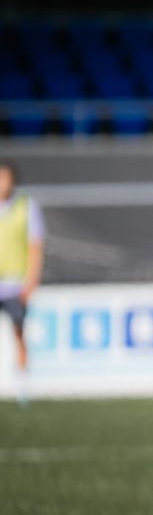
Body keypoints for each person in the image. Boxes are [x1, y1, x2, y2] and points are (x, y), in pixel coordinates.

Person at [0, 161, 45, 407]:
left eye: (5, 178)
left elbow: (35, 245)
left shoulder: (25, 206)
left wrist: (31, 280)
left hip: (14, 284)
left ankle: (22, 389)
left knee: (19, 334)